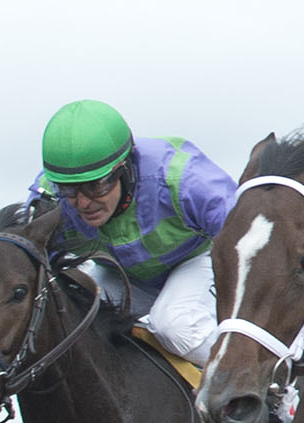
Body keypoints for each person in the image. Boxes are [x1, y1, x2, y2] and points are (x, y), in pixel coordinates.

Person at [34, 99, 235, 367]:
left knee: (174, 324)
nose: (82, 203)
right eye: (70, 189)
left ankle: (270, 389)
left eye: (95, 186)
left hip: (199, 261)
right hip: (127, 277)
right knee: (72, 314)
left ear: (125, 169)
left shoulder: (184, 179)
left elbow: (246, 240)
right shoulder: (50, 199)